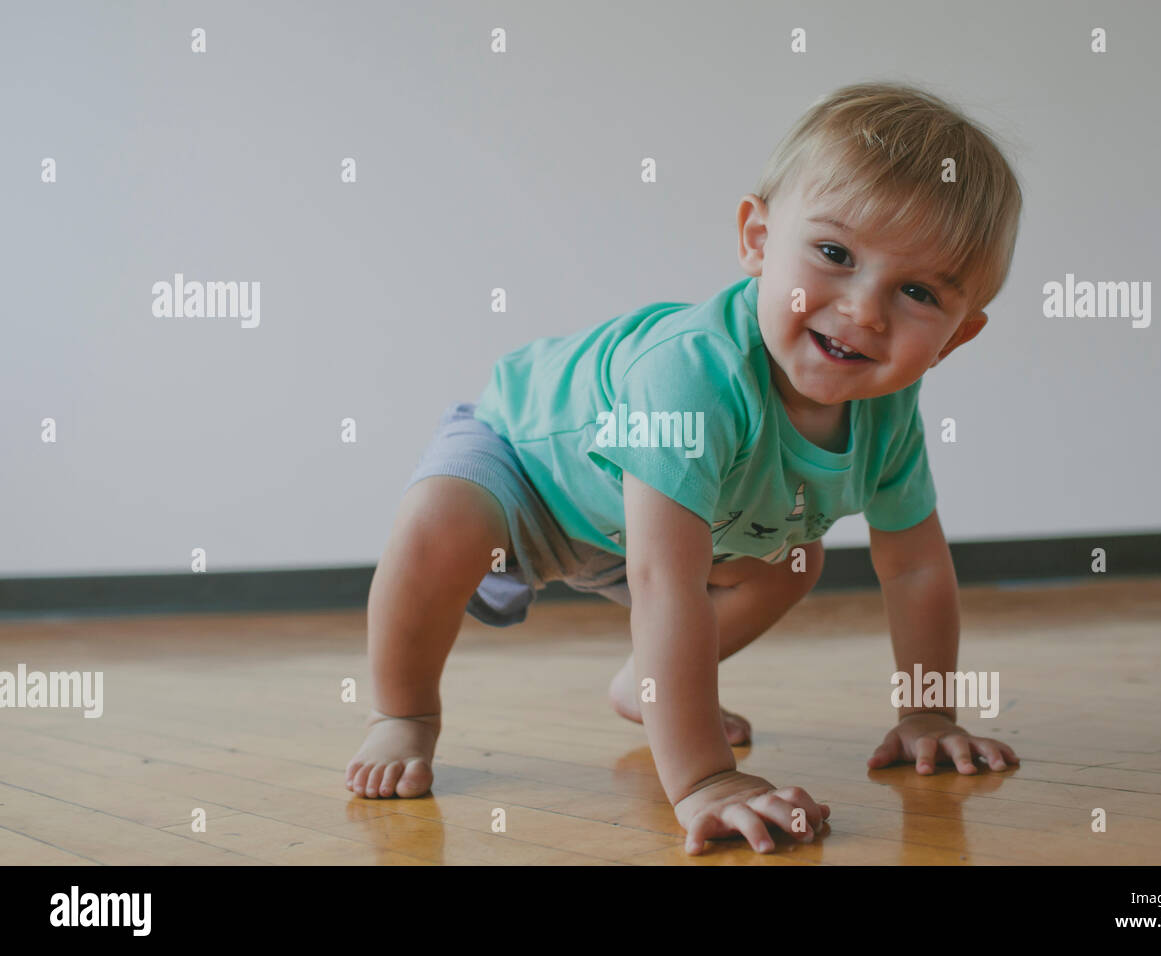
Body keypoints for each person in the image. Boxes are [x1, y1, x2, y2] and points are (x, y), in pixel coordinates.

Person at [346, 81, 1023, 855]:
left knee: (793, 562)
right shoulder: (693, 376)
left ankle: (646, 684)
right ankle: (402, 713)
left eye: (916, 292)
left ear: (958, 338)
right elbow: (663, 584)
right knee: (437, 522)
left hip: (652, 529)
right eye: (834, 255)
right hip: (528, 471)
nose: (865, 311)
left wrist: (927, 712)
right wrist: (705, 778)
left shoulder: (889, 415)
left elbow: (915, 570)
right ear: (758, 241)